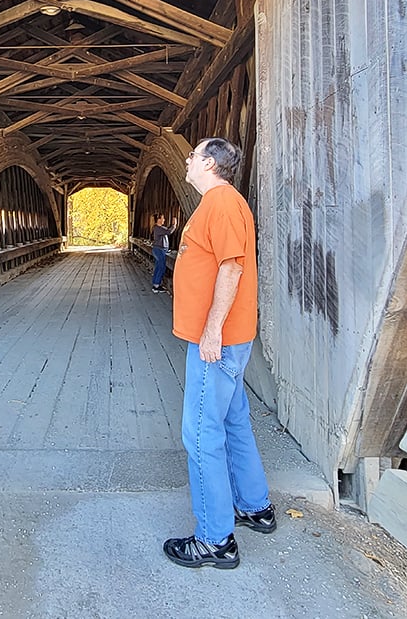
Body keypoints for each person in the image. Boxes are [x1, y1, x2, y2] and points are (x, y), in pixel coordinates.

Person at [163, 137, 275, 570]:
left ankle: (215, 539)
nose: (187, 160)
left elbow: (232, 265)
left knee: (200, 433)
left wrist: (211, 331)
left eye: (192, 155)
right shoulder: (219, 203)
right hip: (229, 338)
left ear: (208, 163)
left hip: (218, 343)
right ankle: (254, 506)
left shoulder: (223, 202)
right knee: (233, 420)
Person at [151, 213, 177, 293]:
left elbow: (166, 231)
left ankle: (155, 284)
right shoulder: (157, 228)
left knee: (158, 267)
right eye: (163, 218)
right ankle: (156, 286)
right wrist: (174, 225)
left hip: (159, 249)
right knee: (161, 267)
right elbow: (169, 232)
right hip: (159, 250)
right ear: (159, 220)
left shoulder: (158, 228)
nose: (164, 220)